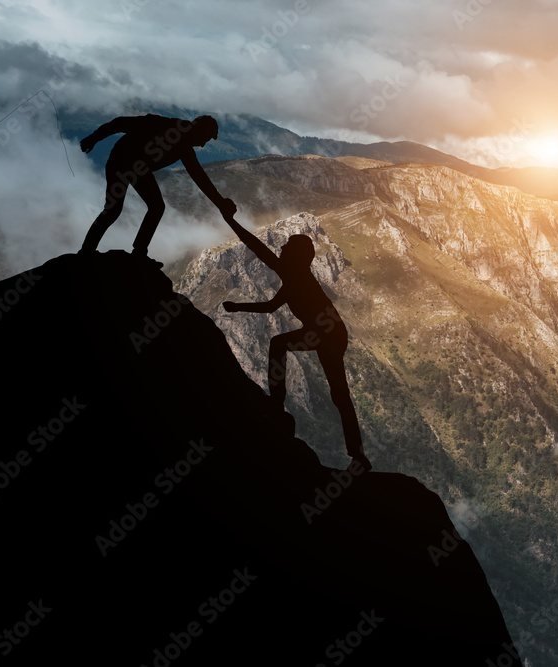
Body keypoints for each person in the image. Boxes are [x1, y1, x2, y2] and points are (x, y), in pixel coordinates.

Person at [221, 221, 372, 472]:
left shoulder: (293, 274)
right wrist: (237, 308)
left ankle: (277, 402)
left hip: (328, 334)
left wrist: (231, 220)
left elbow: (257, 248)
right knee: (338, 394)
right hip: (327, 332)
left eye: (287, 247)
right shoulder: (295, 277)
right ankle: (357, 454)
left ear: (295, 255)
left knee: (336, 391)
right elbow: (270, 306)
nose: (281, 249)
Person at [79, 114, 236, 258]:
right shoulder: (166, 126)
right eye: (205, 139)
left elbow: (200, 178)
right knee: (116, 210)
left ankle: (135, 252)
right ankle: (92, 252)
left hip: (136, 168)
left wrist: (221, 203)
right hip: (121, 163)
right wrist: (93, 138)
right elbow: (121, 123)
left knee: (150, 207)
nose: (202, 145)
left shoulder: (184, 145)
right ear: (199, 131)